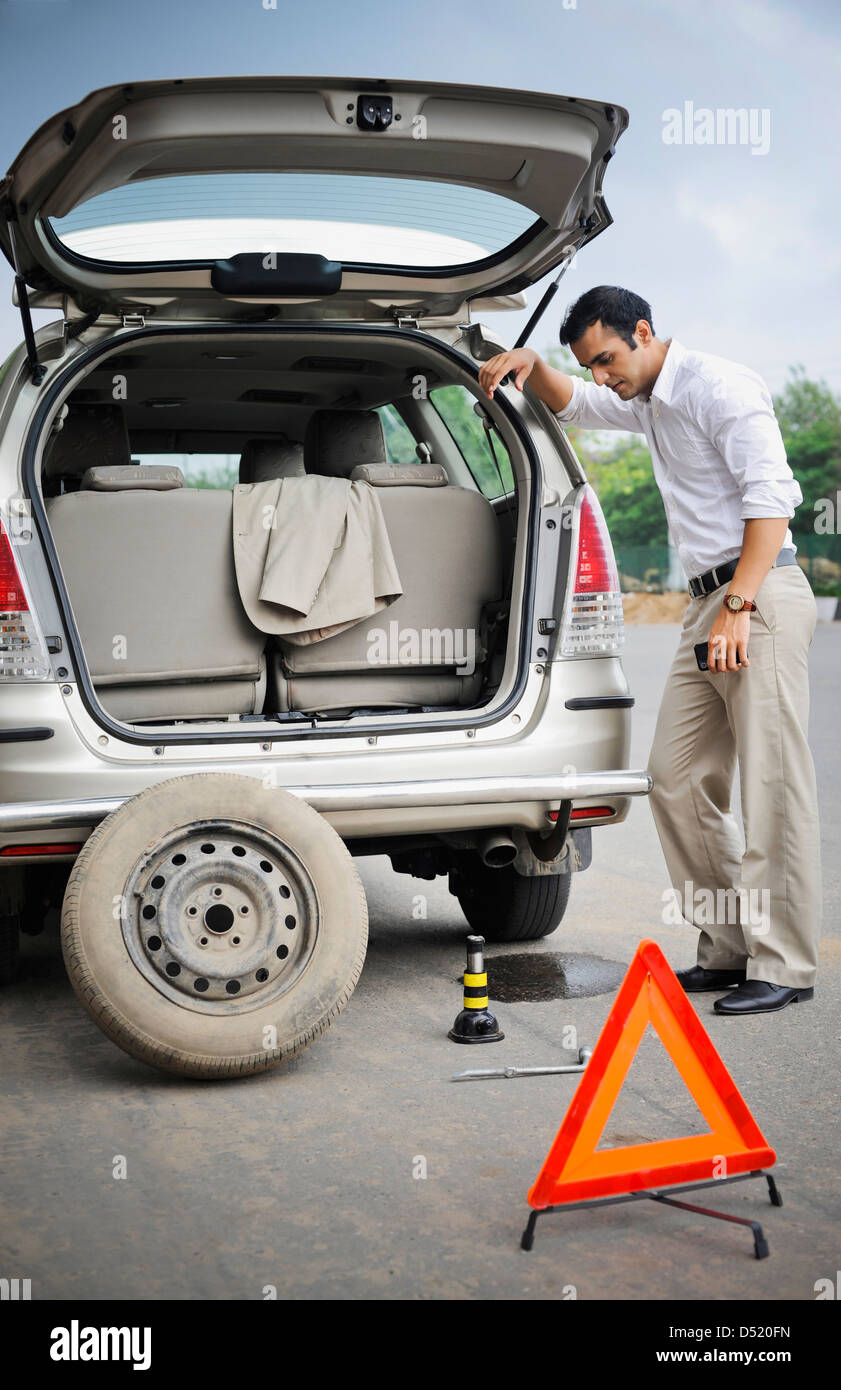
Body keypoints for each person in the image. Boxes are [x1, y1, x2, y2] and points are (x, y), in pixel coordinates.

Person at [478, 286, 820, 1016]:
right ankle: (728, 947)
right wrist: (532, 364)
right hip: (707, 604)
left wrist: (738, 608)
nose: (601, 376)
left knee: (772, 784)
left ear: (642, 331)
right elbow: (574, 402)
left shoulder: (718, 388)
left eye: (606, 359)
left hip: (754, 595)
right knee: (675, 777)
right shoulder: (645, 399)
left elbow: (772, 500)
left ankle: (785, 965)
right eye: (590, 365)